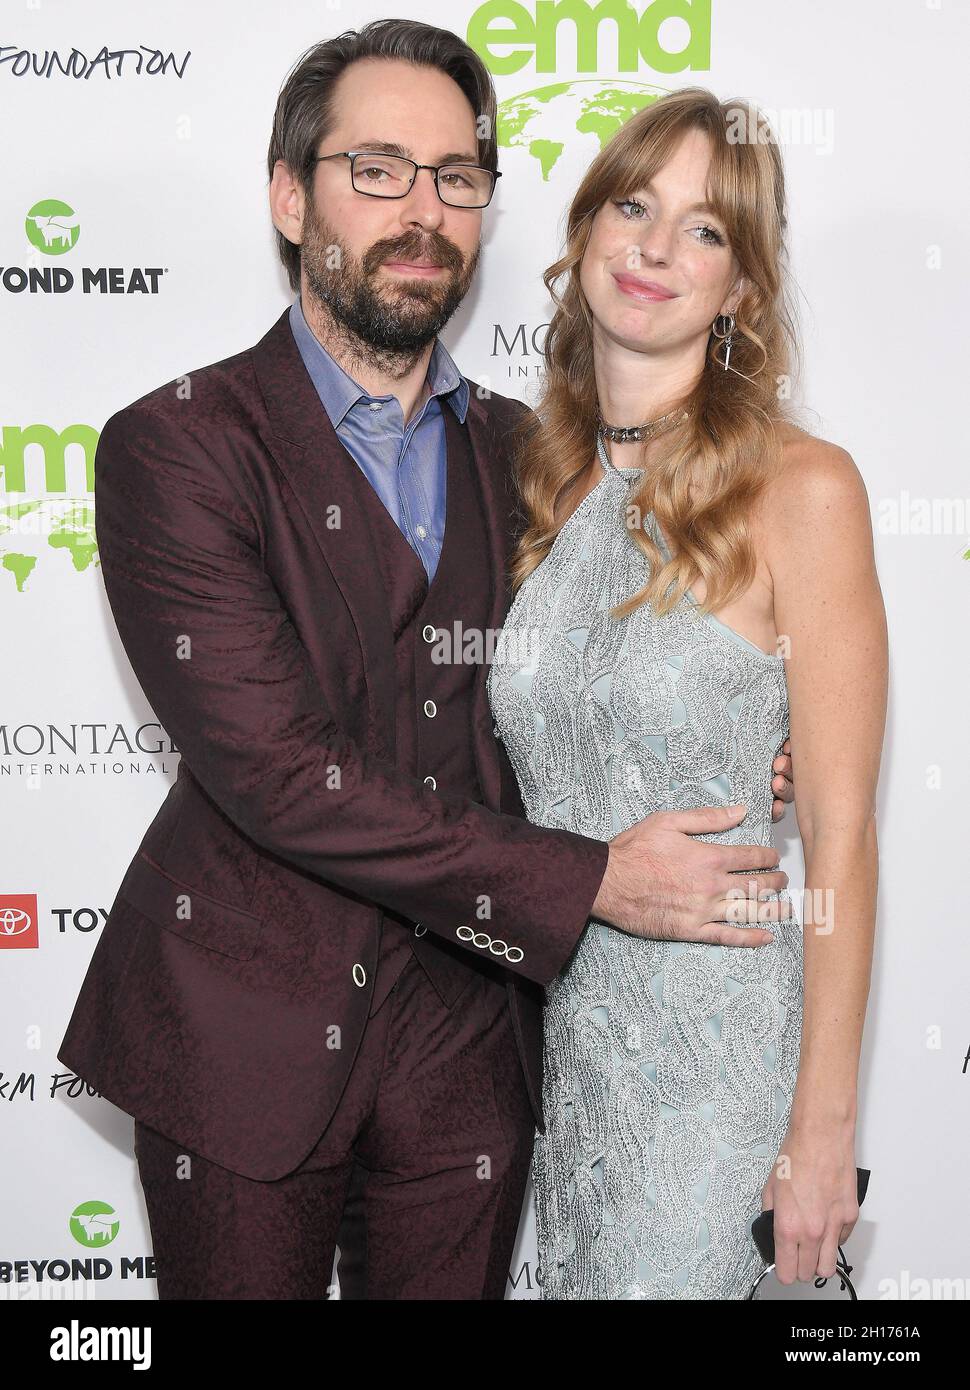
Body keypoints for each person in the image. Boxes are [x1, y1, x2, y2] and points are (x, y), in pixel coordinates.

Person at [57, 24, 796, 1301]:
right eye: (379, 169)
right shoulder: (174, 447)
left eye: (458, 178)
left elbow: (606, 681)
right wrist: (592, 878)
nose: (423, 212)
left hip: (469, 1040)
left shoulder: (541, 465)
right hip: (242, 1030)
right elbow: (281, 773)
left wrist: (736, 741)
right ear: (292, 198)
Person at [487, 87, 887, 1299]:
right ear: (584, 234)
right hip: (546, 1058)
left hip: (714, 1073)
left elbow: (842, 834)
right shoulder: (539, 488)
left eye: (707, 230)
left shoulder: (801, 487)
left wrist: (820, 1136)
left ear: (744, 290)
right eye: (634, 204)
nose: (657, 248)